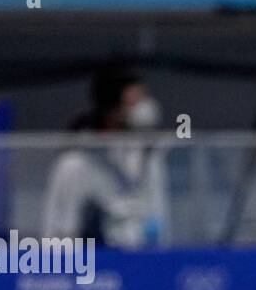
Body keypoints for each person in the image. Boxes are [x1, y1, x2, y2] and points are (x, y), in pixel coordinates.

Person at [43, 67, 170, 248]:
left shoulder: (146, 152)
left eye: (144, 98)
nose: (145, 107)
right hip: (87, 249)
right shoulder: (79, 155)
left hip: (133, 244)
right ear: (114, 107)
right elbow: (63, 222)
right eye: (135, 101)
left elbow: (150, 209)